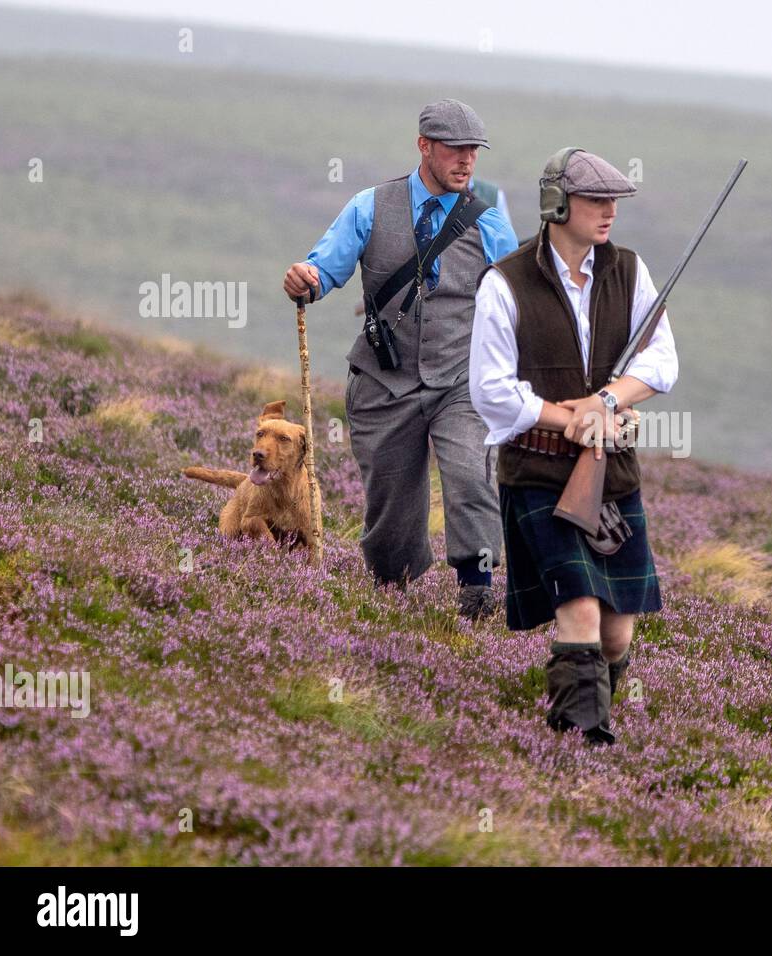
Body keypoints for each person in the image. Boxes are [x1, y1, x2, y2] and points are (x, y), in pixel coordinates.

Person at [469, 148, 679, 743]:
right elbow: (489, 392)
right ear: (557, 203)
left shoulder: (631, 271)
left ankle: (591, 715)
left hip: (612, 474)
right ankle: (581, 739)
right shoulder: (505, 283)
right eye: (595, 200)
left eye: (614, 200)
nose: (609, 211)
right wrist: (568, 418)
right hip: (536, 472)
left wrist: (606, 402)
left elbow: (662, 361)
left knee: (617, 633)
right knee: (581, 609)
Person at [282, 99, 518, 619]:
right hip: (382, 381)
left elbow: (521, 296)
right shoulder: (370, 205)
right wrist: (307, 279)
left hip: (460, 378)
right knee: (391, 510)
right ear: (424, 146)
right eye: (455, 150)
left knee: (470, 474)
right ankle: (394, 596)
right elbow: (326, 267)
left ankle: (477, 592)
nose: (466, 162)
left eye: (474, 152)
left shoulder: (490, 219)